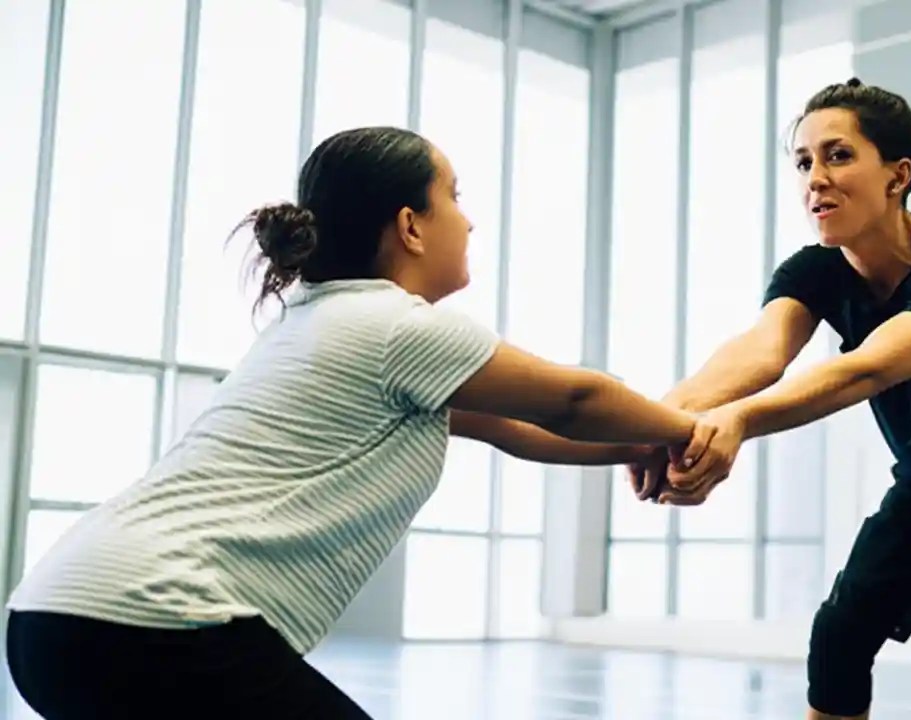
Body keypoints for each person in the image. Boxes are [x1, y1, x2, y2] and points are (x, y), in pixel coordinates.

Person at [5, 126, 717, 719]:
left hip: (56, 617)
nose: (468, 220)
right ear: (410, 225)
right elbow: (576, 400)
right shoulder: (394, 327)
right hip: (158, 617)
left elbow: (524, 429)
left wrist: (646, 443)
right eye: (455, 198)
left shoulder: (320, 323)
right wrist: (692, 431)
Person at [629, 78, 911, 720]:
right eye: (803, 162)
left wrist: (736, 421)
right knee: (839, 637)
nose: (814, 178)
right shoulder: (815, 269)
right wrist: (650, 423)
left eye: (838, 155)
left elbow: (864, 371)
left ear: (897, 175)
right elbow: (760, 354)